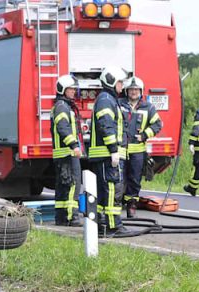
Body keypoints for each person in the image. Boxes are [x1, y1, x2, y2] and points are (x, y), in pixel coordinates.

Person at [90, 66, 139, 237]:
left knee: (108, 189)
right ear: (111, 81)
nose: (122, 86)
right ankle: (113, 225)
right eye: (120, 82)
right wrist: (113, 150)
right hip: (107, 154)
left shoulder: (109, 99)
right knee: (112, 189)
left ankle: (103, 224)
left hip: (106, 154)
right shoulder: (106, 100)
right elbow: (106, 125)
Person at [121, 76, 162, 216]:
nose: (133, 92)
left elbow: (158, 124)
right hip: (120, 150)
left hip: (137, 151)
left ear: (141, 91)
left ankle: (131, 205)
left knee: (134, 179)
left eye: (136, 89)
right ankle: (117, 203)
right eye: (131, 89)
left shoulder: (148, 107)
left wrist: (144, 135)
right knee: (119, 178)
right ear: (126, 91)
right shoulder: (119, 104)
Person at [52, 74, 84, 226]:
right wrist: (74, 145)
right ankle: (72, 217)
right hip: (67, 153)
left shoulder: (62, 106)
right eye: (70, 89)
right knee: (73, 184)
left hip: (63, 154)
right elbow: (63, 128)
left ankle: (61, 217)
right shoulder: (62, 107)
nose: (73, 92)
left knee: (63, 187)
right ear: (63, 90)